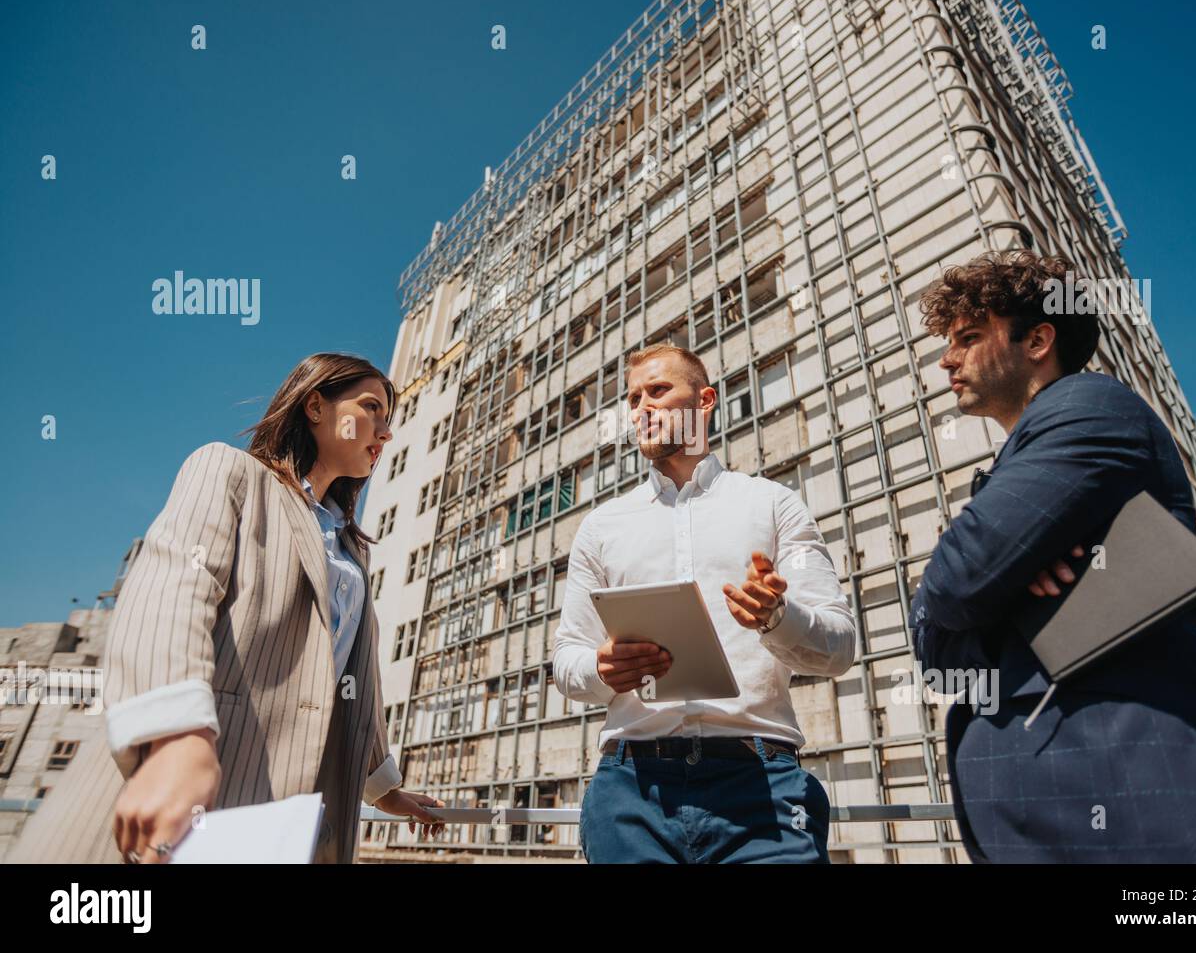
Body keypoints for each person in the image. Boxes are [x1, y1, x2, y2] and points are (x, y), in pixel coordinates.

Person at [909, 249, 1196, 862]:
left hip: (1139, 804)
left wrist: (987, 594)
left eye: (969, 337)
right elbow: (935, 650)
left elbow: (957, 580)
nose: (946, 359)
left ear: (1038, 340)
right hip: (1044, 818)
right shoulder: (1008, 468)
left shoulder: (1088, 406)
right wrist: (999, 585)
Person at [9, 352, 444, 864]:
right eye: (372, 407)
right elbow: (172, 591)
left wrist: (384, 789)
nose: (385, 432)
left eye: (390, 420)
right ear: (315, 406)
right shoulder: (232, 473)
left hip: (279, 823)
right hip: (187, 780)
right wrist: (177, 737)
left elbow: (353, 680)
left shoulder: (353, 551)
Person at [552, 343, 856, 863]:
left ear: (706, 400)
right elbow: (566, 662)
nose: (641, 408)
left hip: (762, 787)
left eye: (658, 390)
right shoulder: (601, 527)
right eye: (633, 398)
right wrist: (603, 668)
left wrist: (778, 618)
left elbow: (839, 647)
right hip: (631, 792)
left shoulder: (774, 504)